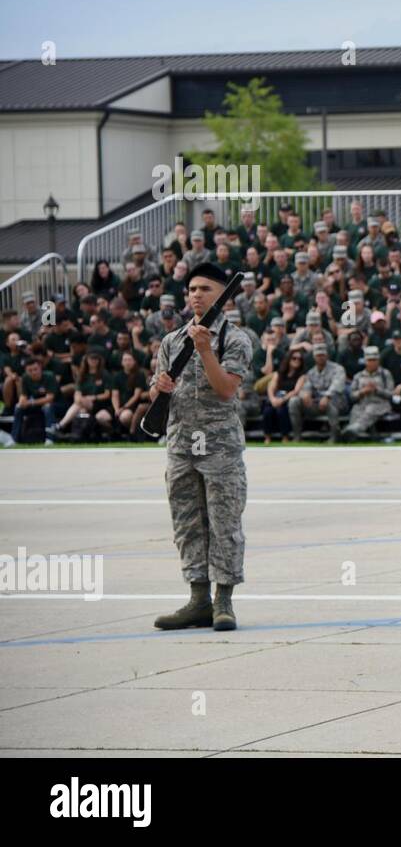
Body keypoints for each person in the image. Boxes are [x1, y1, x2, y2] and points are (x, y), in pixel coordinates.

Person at [150, 262, 253, 633]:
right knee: (188, 525)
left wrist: (206, 350)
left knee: (224, 523)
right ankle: (198, 600)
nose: (196, 294)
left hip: (220, 449)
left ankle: (223, 601)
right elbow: (155, 391)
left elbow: (226, 389)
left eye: (205, 288)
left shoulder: (236, 339)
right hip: (180, 447)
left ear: (222, 296)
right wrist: (157, 388)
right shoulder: (171, 341)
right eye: (191, 288)